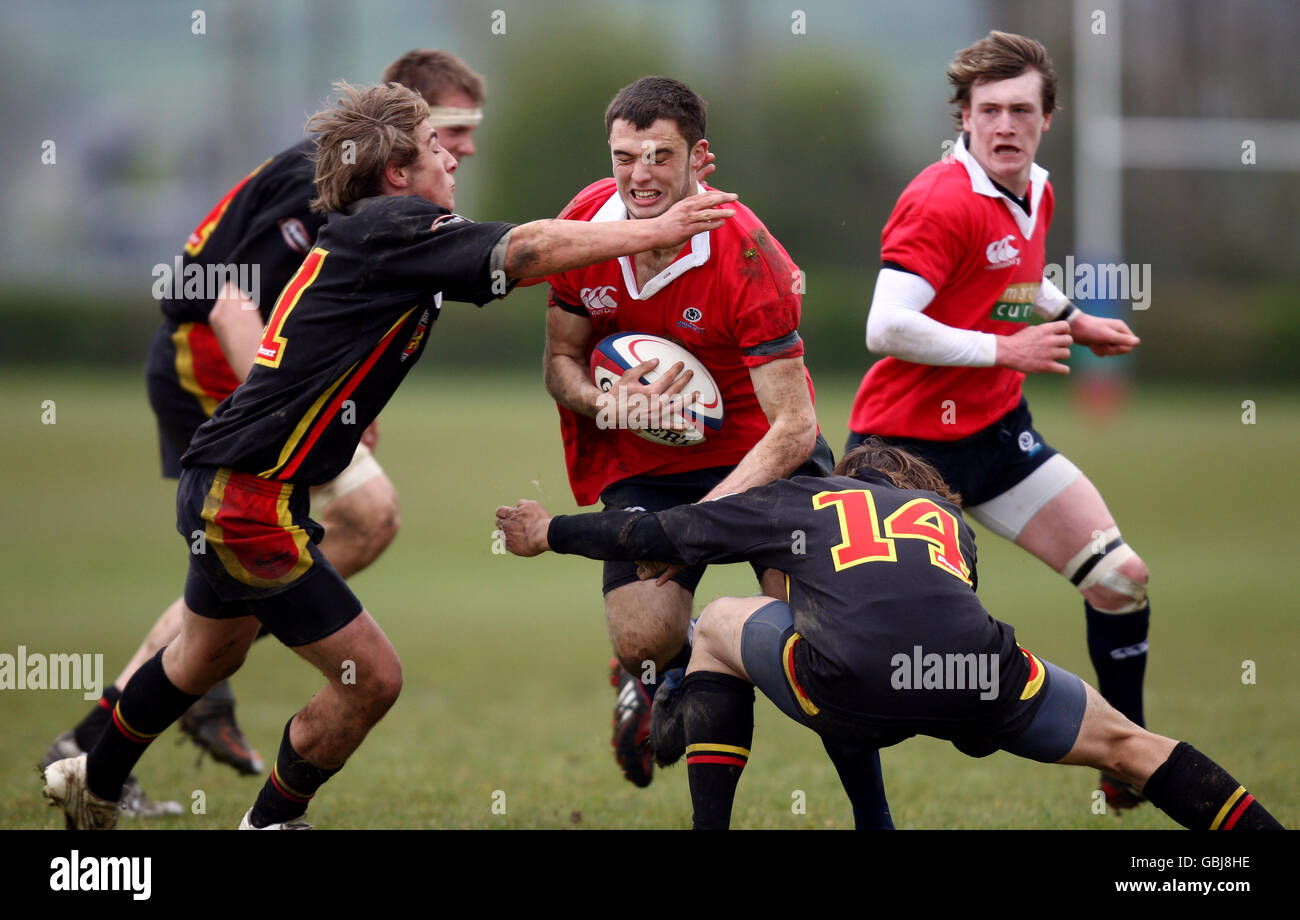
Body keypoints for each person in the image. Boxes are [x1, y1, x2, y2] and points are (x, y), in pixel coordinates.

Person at [41, 80, 739, 830]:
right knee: (370, 679)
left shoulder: (386, 231)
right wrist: (651, 230)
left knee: (202, 658)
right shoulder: (394, 225)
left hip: (236, 484)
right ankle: (271, 821)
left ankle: (91, 779)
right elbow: (529, 249)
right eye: (439, 148)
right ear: (399, 173)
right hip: (248, 499)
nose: (454, 158)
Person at [40, 49, 488, 815]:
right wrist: (293, 404)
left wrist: (341, 397)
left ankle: (173, 688)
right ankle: (177, 689)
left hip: (262, 384)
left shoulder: (379, 196)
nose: (465, 148)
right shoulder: (320, 176)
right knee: (348, 522)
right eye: (452, 128)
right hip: (205, 366)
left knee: (284, 564)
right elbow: (227, 302)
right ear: (399, 129)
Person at [495, 441, 1285, 831]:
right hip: (977, 671)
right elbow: (918, 624)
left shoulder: (802, 498)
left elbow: (658, 528)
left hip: (848, 681)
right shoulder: (948, 524)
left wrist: (550, 533)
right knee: (1131, 746)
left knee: (718, 626)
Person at [844, 32, 1150, 809]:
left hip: (994, 434)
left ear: (1047, 118)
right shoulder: (939, 198)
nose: (1005, 124)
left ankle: (1131, 753)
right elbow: (886, 325)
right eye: (989, 111)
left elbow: (1012, 272)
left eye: (1021, 109)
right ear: (965, 119)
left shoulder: (1034, 188)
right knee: (868, 647)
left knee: (1119, 579)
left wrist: (1074, 319)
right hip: (902, 447)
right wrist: (1001, 349)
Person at [542, 76, 837, 792]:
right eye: (624, 156)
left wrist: (696, 527)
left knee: (807, 644)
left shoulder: (747, 253)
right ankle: (652, 679)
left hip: (761, 455)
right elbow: (559, 362)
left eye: (659, 157)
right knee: (644, 636)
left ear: (698, 158)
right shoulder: (585, 228)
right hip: (643, 463)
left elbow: (795, 427)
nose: (639, 175)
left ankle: (714, 661)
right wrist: (608, 405)